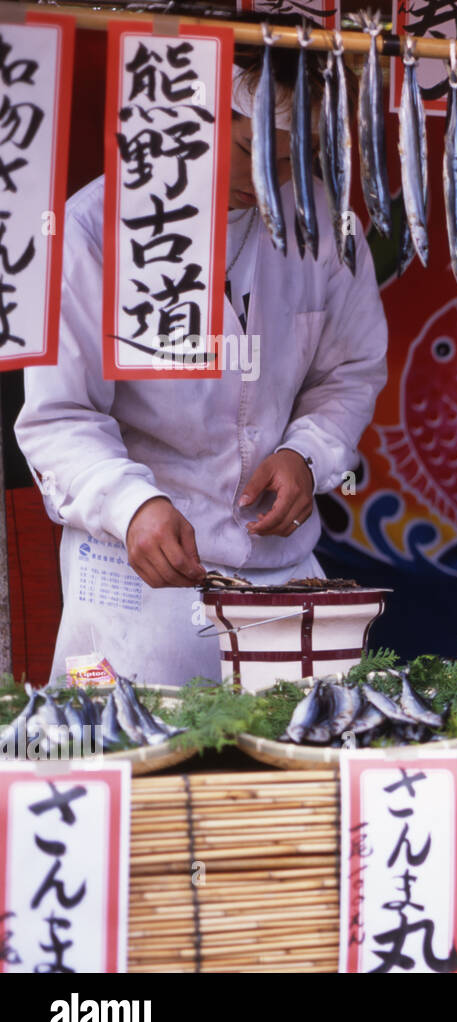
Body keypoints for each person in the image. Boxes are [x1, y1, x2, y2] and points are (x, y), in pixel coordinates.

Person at [15, 46, 388, 686]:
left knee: (303, 768)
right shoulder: (93, 228)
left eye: (287, 162)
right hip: (136, 585)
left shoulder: (324, 224)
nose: (267, 182)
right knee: (138, 768)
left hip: (284, 579)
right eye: (247, 155)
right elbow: (58, 416)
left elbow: (349, 373)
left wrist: (308, 453)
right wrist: (132, 503)